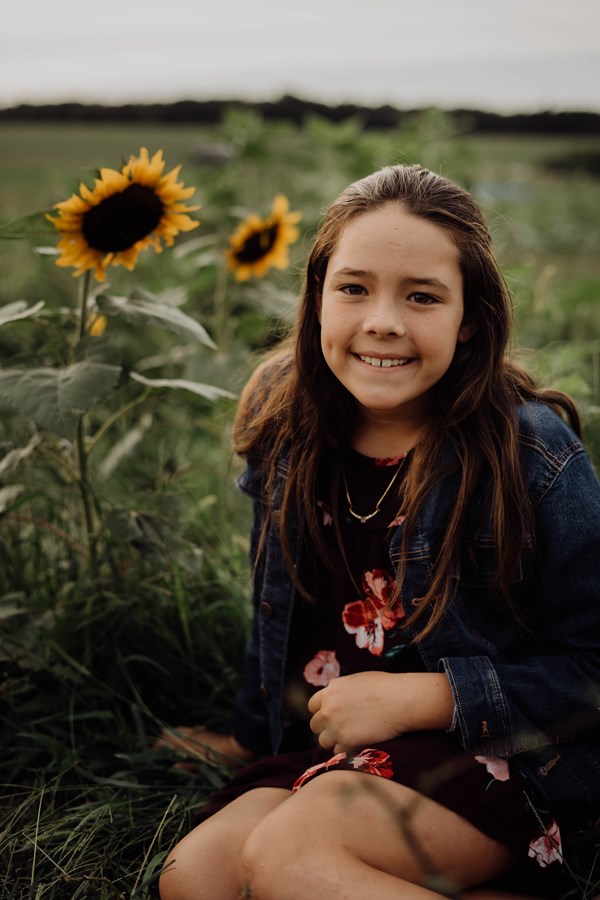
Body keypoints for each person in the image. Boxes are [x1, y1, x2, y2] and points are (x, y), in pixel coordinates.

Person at [158, 164, 600, 900]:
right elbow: (278, 607)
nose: (383, 321)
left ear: (469, 320)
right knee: (194, 878)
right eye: (354, 288)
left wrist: (431, 698)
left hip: (491, 759)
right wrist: (245, 732)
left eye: (421, 296)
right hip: (328, 750)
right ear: (318, 299)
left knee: (287, 863)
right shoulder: (287, 419)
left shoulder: (531, 455)